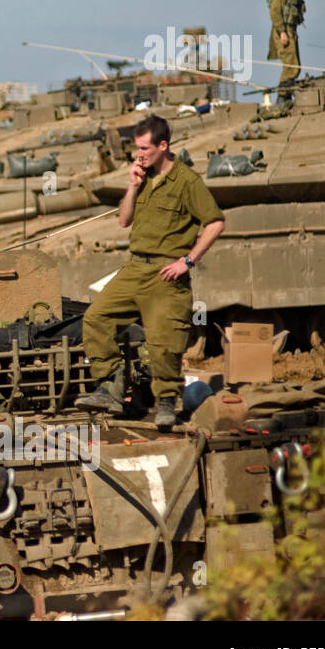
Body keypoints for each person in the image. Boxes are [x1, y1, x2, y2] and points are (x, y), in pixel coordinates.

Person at [75, 115, 225, 430]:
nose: (139, 155)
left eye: (144, 148)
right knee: (96, 318)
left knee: (163, 341)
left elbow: (215, 222)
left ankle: (167, 403)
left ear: (163, 145)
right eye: (136, 149)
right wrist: (132, 185)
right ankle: (111, 388)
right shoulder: (142, 177)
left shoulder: (187, 181)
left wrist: (188, 260)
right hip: (134, 268)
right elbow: (124, 220)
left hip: (165, 273)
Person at [267, 0, 307, 97]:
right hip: (283, 30)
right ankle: (283, 97)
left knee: (295, 66)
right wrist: (282, 31)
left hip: (290, 30)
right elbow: (275, 11)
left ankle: (286, 94)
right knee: (291, 66)